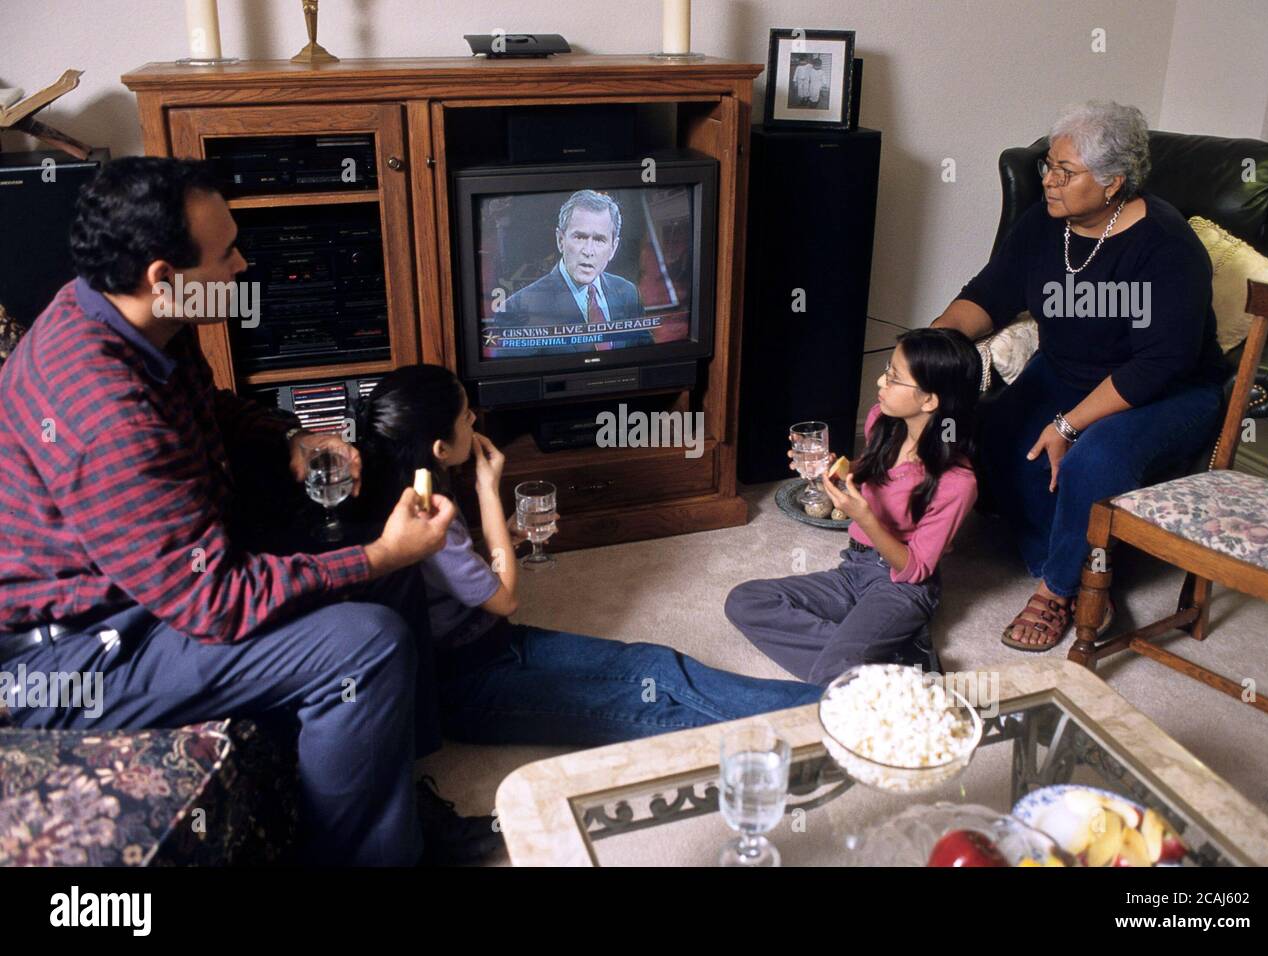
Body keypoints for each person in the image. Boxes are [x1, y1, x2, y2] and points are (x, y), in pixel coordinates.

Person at [0, 156, 492, 866]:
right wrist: (381, 554)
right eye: (226, 252)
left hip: (152, 580)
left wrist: (291, 437)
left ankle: (396, 797)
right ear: (164, 276)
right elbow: (216, 602)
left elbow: (208, 411)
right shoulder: (102, 410)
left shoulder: (129, 314)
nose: (242, 265)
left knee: (372, 559)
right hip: (81, 651)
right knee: (365, 639)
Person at [349, 363, 825, 745]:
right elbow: (504, 597)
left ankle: (832, 705)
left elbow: (452, 580)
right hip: (465, 686)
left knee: (654, 664)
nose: (474, 418)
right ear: (438, 447)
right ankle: (822, 729)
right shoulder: (427, 512)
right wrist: (489, 489)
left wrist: (505, 538)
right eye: (465, 415)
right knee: (647, 708)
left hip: (494, 643)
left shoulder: (399, 488)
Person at [932, 101, 1226, 651]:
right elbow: (990, 295)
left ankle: (1060, 589)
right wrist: (931, 344)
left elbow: (1160, 364)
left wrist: (1068, 425)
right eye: (1048, 165)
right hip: (1069, 371)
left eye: (1064, 173)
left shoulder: (1167, 246)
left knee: (1094, 458)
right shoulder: (1046, 224)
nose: (1048, 180)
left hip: (1164, 391)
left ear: (1113, 181)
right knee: (988, 428)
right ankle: (1077, 561)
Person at [724, 328, 982, 685]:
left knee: (833, 672)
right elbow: (871, 470)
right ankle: (895, 656)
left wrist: (864, 516)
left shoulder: (957, 482)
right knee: (745, 601)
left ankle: (855, 656)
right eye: (887, 370)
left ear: (930, 400)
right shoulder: (883, 422)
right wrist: (834, 468)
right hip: (853, 569)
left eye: (893, 377)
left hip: (900, 587)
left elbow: (916, 569)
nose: (881, 380)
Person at [497, 189, 653, 353]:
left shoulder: (628, 292)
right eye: (580, 237)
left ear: (613, 248)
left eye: (599, 240)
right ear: (560, 240)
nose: (588, 250)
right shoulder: (519, 308)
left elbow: (646, 358)